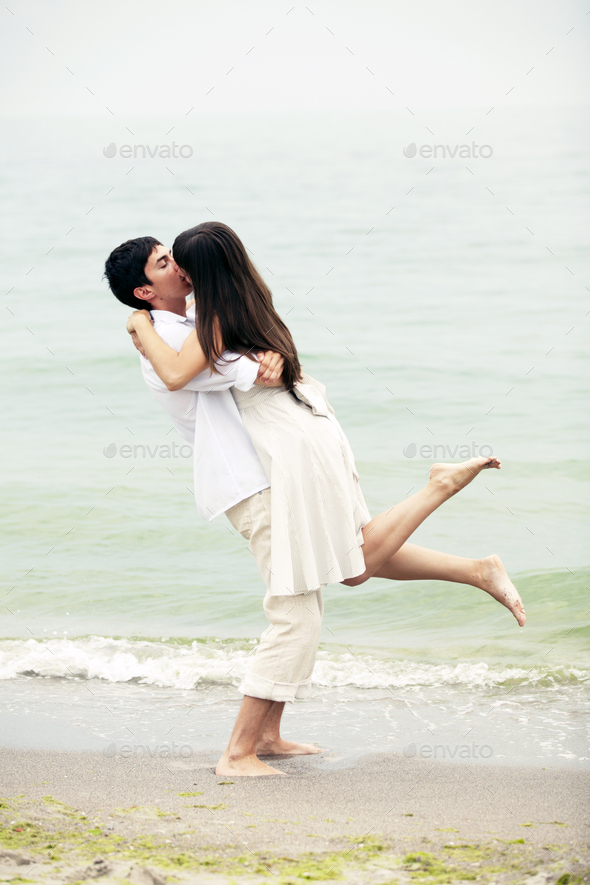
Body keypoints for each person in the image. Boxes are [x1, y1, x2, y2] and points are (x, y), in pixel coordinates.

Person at [124, 222, 527, 778]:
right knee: (318, 592)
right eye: (163, 263)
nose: (177, 267)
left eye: (175, 258)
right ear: (144, 291)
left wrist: (271, 360)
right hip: (258, 479)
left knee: (328, 580)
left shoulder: (201, 321)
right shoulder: (180, 333)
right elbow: (183, 373)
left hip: (278, 465)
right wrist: (143, 327)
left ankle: (260, 739)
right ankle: (240, 751)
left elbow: (262, 368)